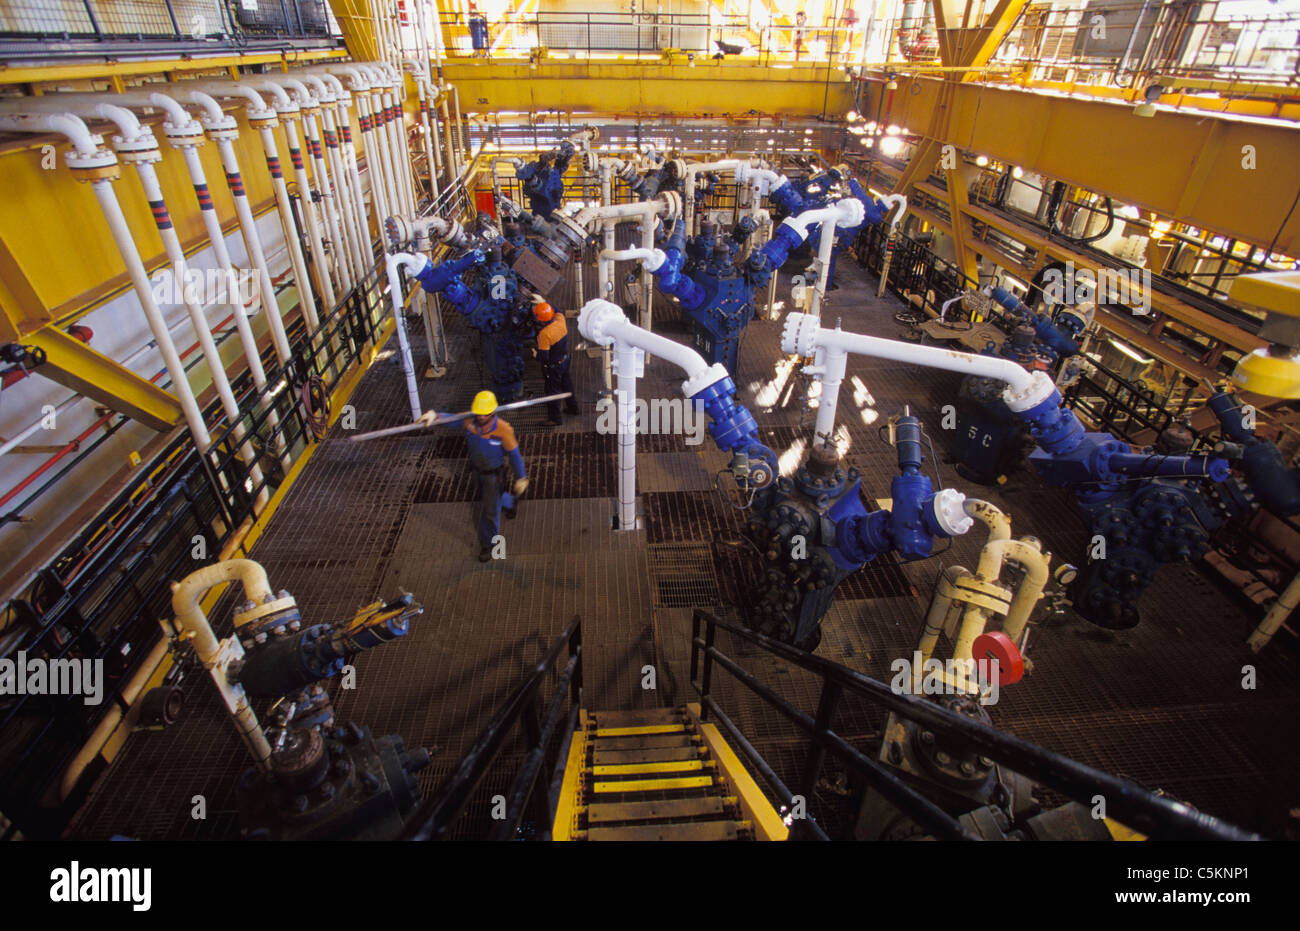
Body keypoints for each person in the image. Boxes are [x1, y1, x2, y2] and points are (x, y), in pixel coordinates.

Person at [422, 390, 528, 561]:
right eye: (478, 413)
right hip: (477, 471)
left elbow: (514, 455)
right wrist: (436, 416)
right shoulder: (469, 421)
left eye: (484, 415)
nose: (480, 417)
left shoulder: (503, 430)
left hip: (494, 476)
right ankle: (510, 502)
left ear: (493, 412)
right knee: (492, 499)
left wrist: (521, 477)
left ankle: (489, 545)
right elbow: (452, 420)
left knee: (490, 511)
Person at [534, 302, 580, 426]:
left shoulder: (544, 334)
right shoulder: (560, 320)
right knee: (567, 385)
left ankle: (555, 419)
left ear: (541, 321)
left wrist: (535, 353)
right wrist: (544, 304)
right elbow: (557, 308)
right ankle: (573, 408)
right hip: (565, 360)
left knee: (552, 391)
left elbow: (543, 357)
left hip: (554, 367)